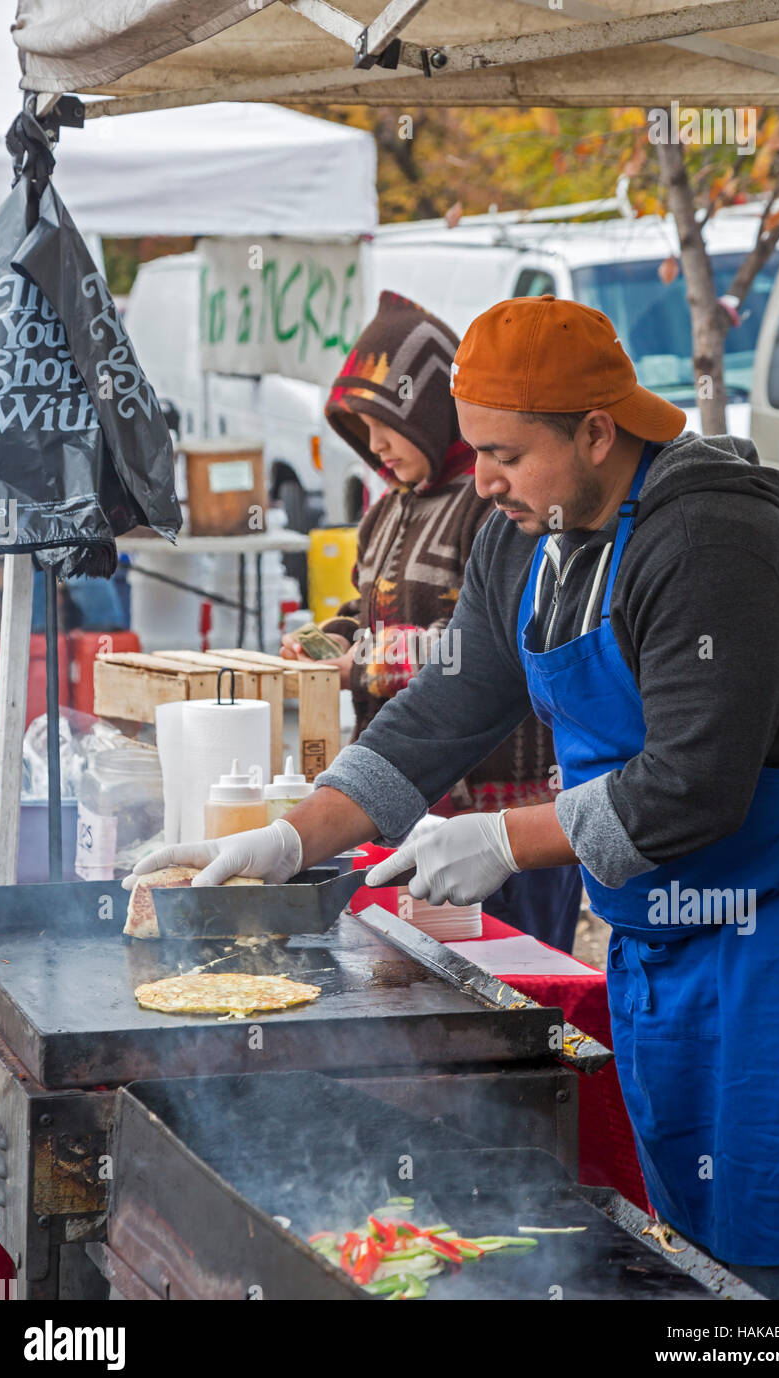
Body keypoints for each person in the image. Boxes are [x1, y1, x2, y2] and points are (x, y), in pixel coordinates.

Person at [128, 294, 779, 1297]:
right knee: (690, 1249)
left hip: (775, 948)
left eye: (505, 454)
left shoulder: (711, 540)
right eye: (475, 452)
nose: (484, 480)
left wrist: (501, 840)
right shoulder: (521, 541)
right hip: (652, 945)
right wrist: (290, 840)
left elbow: (691, 788)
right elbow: (446, 708)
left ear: (596, 431)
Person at [281, 289, 582, 949]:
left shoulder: (501, 506)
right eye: (360, 427)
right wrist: (332, 636)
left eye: (386, 423)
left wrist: (366, 662)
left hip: (507, 823)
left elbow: (492, 649)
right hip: (408, 810)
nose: (375, 443)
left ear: (429, 412)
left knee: (517, 989)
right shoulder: (386, 510)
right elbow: (368, 609)